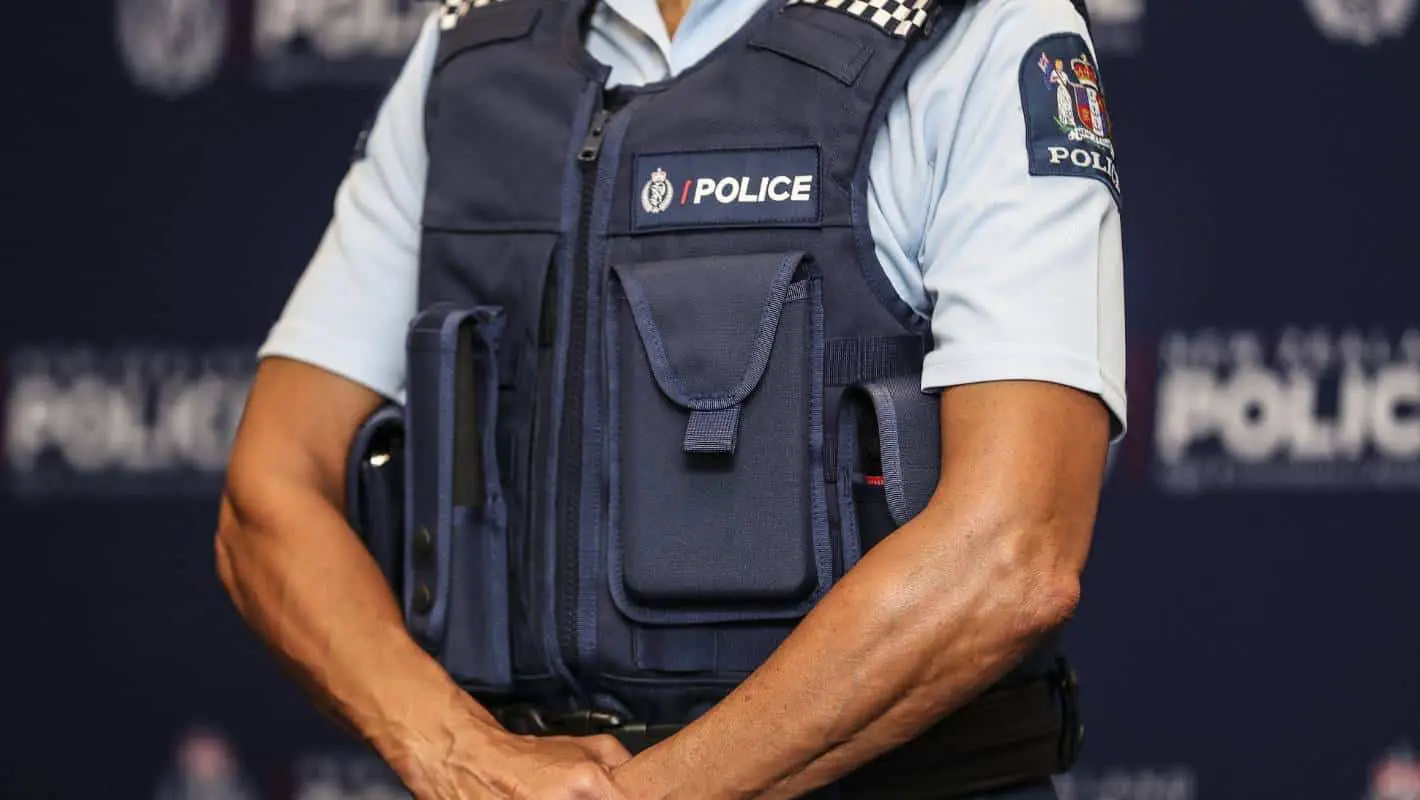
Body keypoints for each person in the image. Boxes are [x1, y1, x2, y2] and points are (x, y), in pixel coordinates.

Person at [215, 0, 1126, 796]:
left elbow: (1013, 548)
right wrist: (458, 752)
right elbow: (270, 491)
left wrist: (654, 794)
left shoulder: (979, 29)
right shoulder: (474, 50)